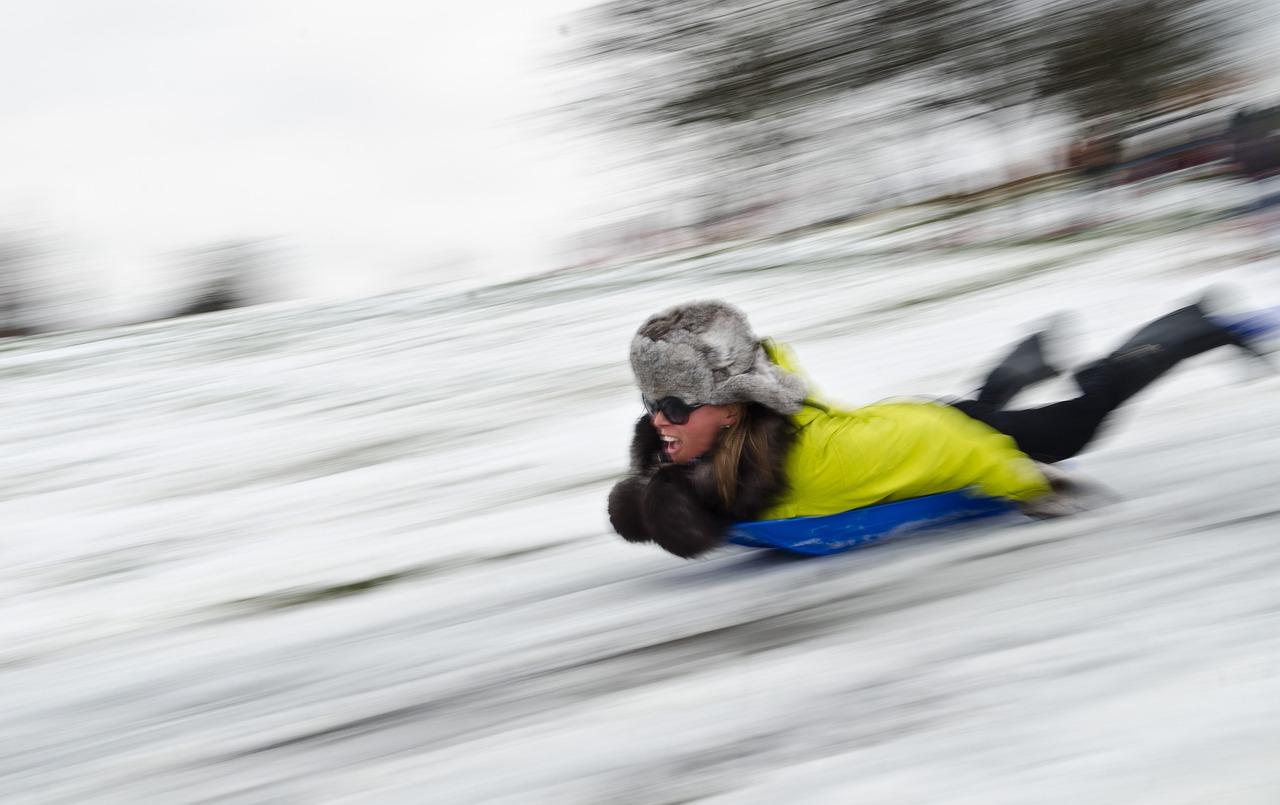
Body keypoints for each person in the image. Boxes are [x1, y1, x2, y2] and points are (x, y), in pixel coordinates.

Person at [608, 295, 1271, 558]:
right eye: (651, 404)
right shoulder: (736, 422)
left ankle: (1191, 326)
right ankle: (1022, 360)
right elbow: (767, 354)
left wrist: (1030, 485)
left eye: (675, 405)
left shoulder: (822, 461)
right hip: (905, 419)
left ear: (731, 404)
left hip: (929, 430)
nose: (658, 422)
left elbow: (945, 443)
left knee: (1074, 426)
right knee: (973, 410)